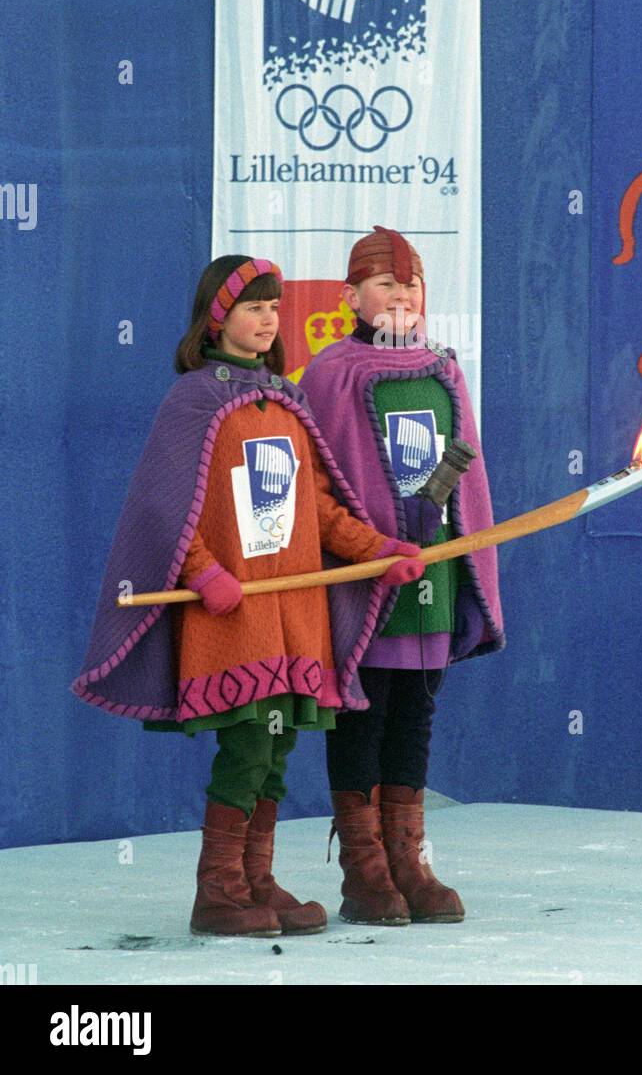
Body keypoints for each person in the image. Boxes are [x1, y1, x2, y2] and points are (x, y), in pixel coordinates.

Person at [71, 255, 423, 938]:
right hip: (233, 620)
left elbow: (319, 511)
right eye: (253, 308)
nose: (267, 320)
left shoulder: (286, 400)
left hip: (292, 619)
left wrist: (378, 550)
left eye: (273, 308)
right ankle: (218, 892)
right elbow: (166, 507)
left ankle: (256, 881)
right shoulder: (194, 401)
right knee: (247, 749)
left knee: (278, 747)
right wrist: (202, 573)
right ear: (217, 317)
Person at [299, 226, 505, 925]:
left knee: (415, 715)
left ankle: (408, 861)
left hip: (431, 575)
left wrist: (442, 531)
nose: (401, 296)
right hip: (368, 577)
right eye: (385, 284)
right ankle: (364, 872)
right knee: (363, 714)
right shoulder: (330, 374)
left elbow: (463, 471)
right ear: (350, 295)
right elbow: (324, 483)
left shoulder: (444, 369)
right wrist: (376, 537)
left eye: (411, 284)